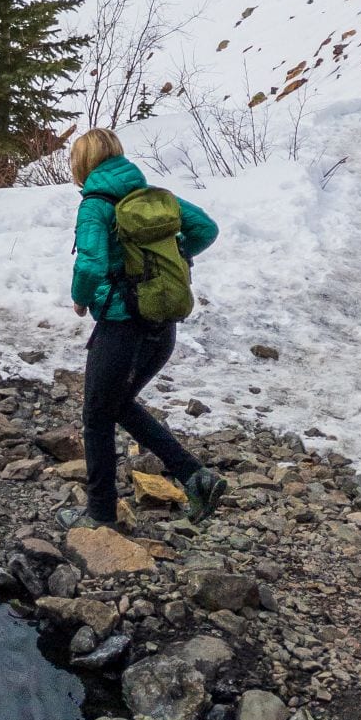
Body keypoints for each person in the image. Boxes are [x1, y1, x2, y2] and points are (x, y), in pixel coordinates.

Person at [64, 127, 226, 530]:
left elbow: (89, 264)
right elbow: (206, 228)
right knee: (118, 405)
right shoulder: (155, 197)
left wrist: (82, 298)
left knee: (97, 417)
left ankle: (99, 516)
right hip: (161, 324)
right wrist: (171, 259)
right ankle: (195, 477)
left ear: (84, 163)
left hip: (121, 328)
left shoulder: (96, 205)